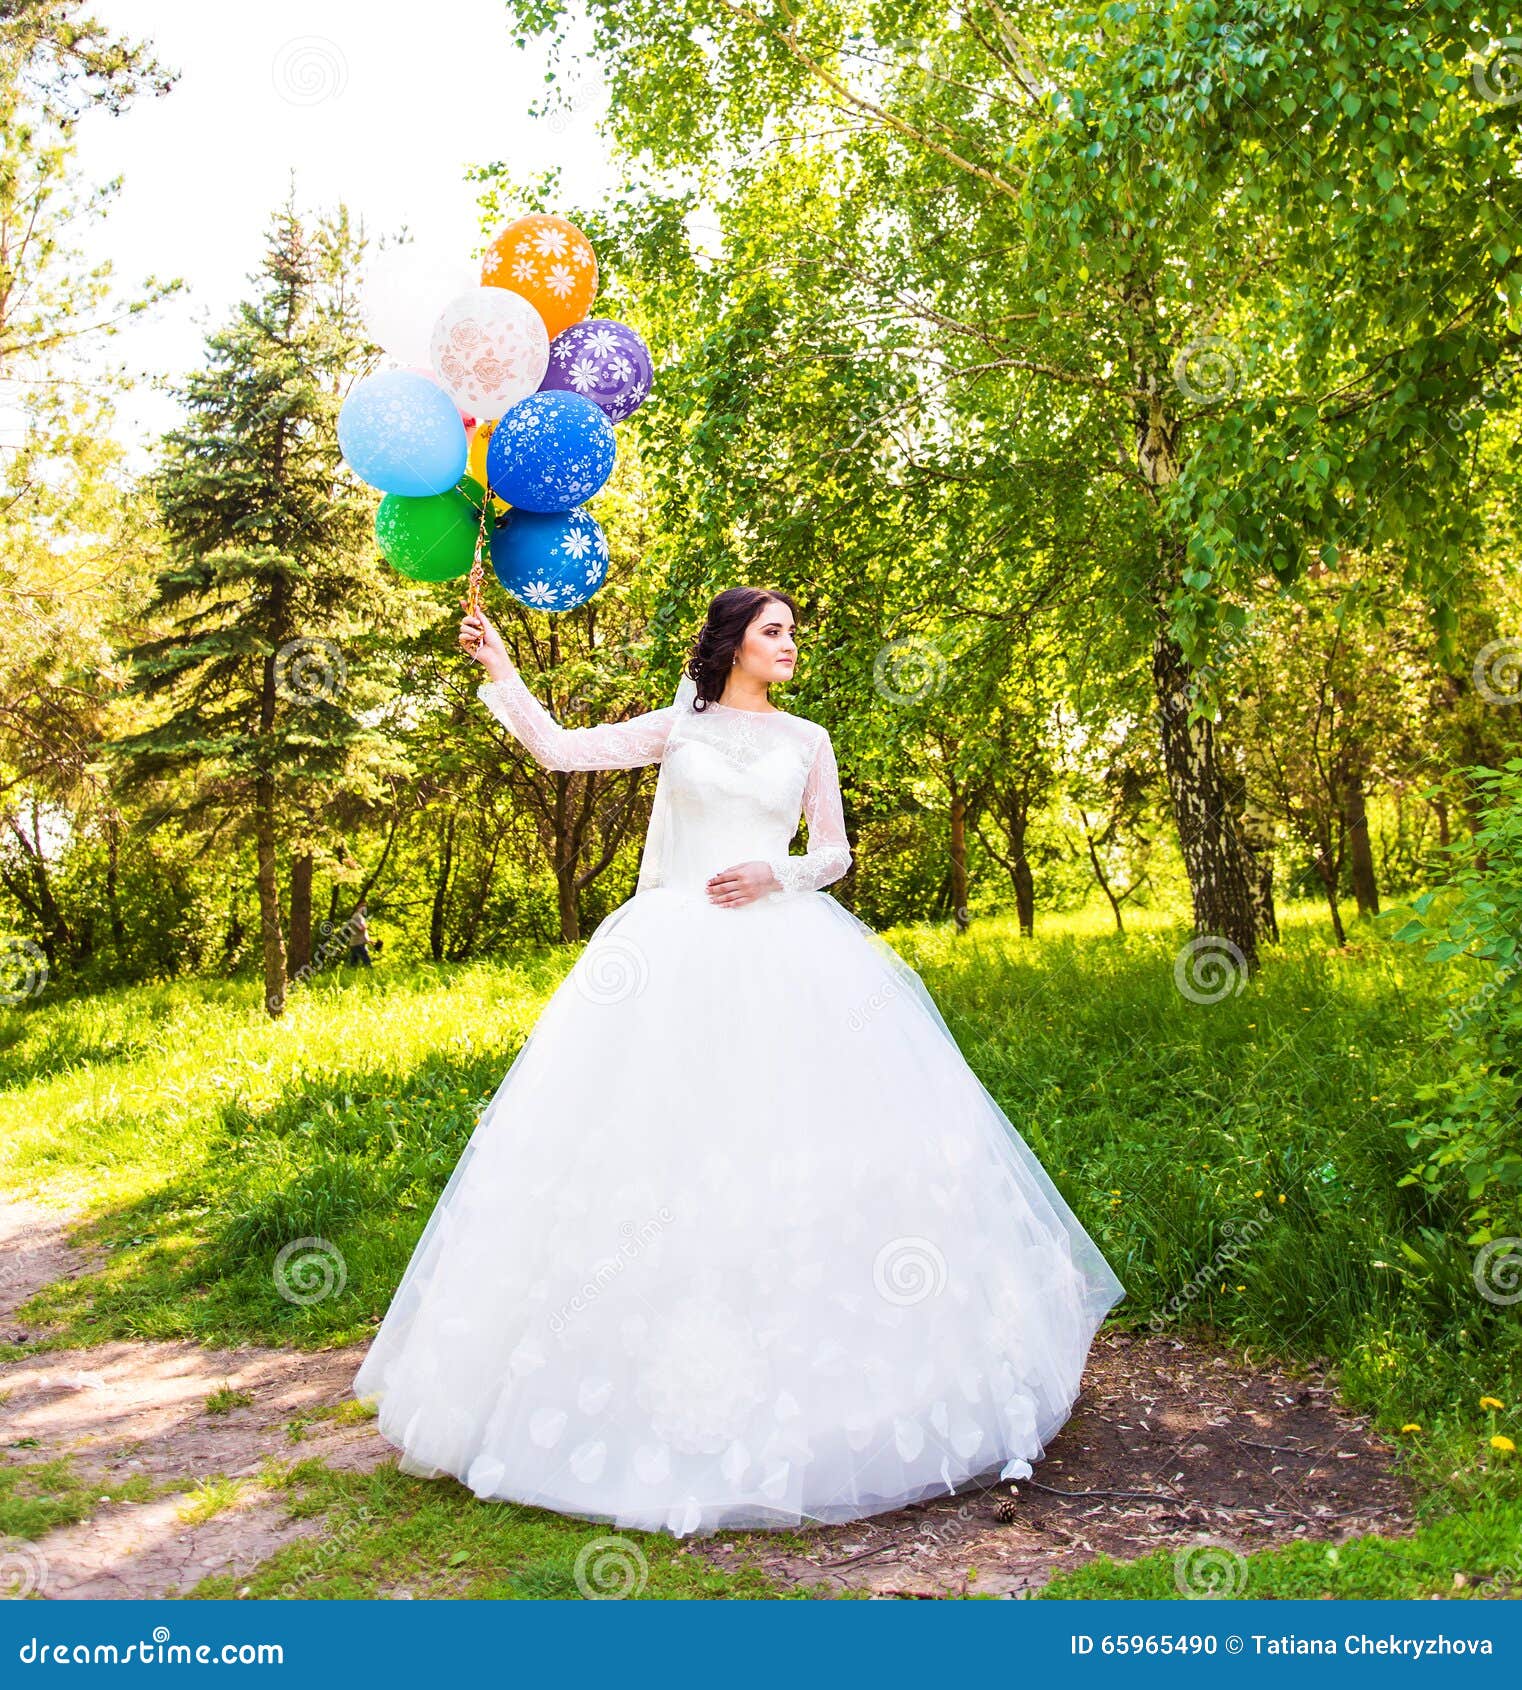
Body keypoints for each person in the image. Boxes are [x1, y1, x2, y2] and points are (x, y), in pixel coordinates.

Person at [352, 586, 1125, 1539]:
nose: (790, 644)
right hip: (671, 960)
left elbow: (835, 853)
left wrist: (778, 872)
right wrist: (501, 667)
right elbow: (559, 747)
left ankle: (843, 1395)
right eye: (774, 631)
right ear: (731, 644)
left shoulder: (808, 740)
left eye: (794, 631)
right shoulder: (678, 729)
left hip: (790, 955)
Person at [347, 902, 373, 969]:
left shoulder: (360, 917)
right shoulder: (357, 916)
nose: (364, 907)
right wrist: (366, 926)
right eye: (362, 906)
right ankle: (370, 973)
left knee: (353, 964)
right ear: (358, 906)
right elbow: (361, 928)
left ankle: (350, 974)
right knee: (367, 961)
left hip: (356, 943)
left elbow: (363, 932)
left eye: (365, 906)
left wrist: (369, 940)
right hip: (357, 943)